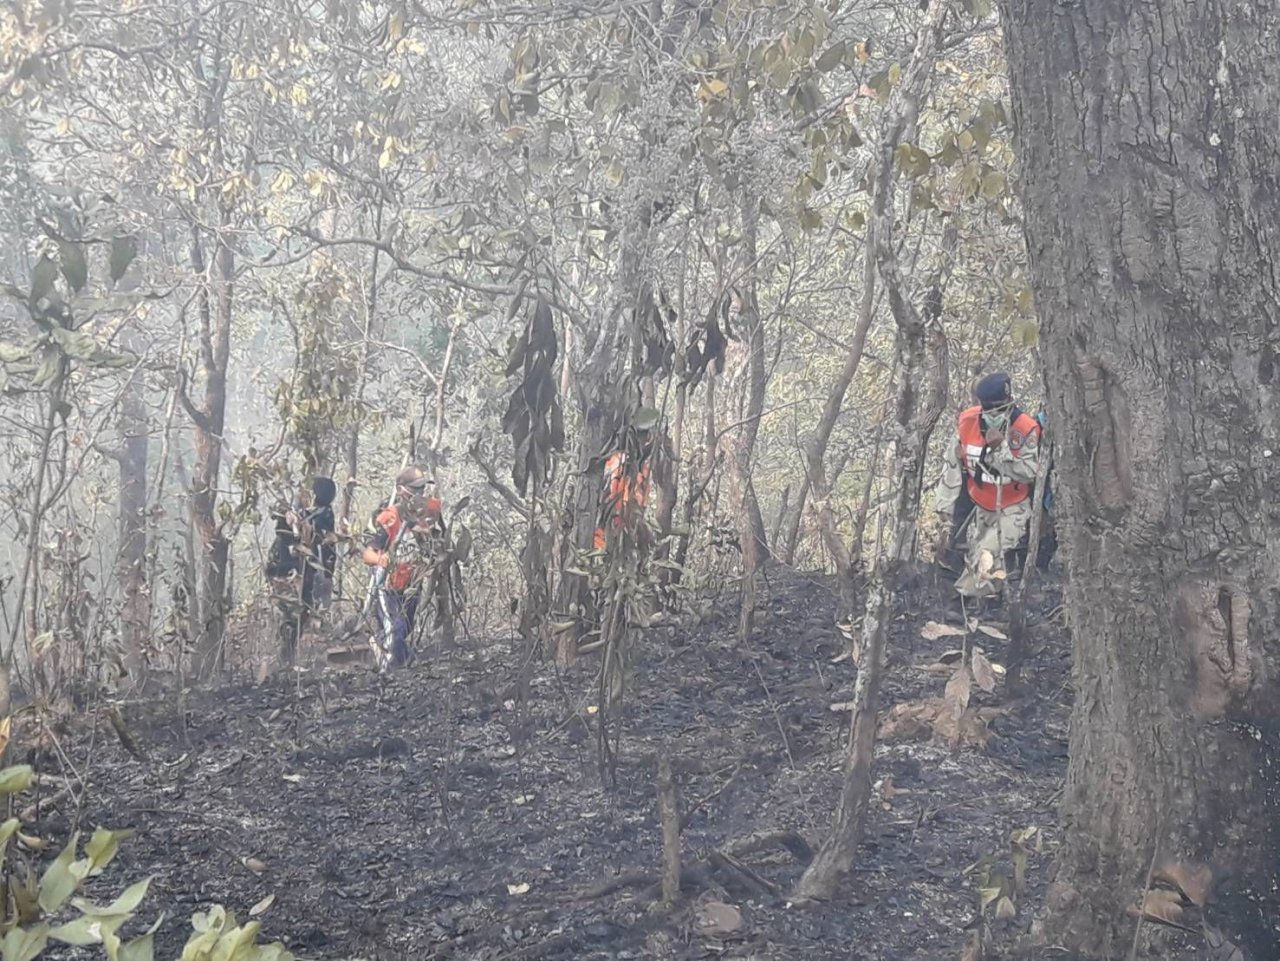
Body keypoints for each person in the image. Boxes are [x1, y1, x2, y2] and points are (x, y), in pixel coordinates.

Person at [935, 372, 1042, 601]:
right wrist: (944, 510)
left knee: (988, 555)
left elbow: (1030, 473)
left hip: (1013, 506)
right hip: (982, 505)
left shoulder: (1026, 428)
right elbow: (952, 465)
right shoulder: (967, 422)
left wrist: (1001, 450)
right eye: (990, 409)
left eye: (1001, 408)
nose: (996, 414)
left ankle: (959, 602)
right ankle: (992, 602)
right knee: (978, 554)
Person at [361, 466, 443, 670]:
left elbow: (436, 542)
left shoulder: (426, 515)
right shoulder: (389, 518)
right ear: (400, 490)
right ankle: (388, 673)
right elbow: (367, 553)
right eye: (415, 489)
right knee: (395, 633)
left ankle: (394, 657)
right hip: (387, 587)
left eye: (422, 489)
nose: (419, 494)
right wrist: (381, 560)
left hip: (410, 586)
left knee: (404, 629)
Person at [266, 477, 337, 666]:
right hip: (285, 568)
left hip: (301, 568)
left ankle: (286, 658)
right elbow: (281, 527)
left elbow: (329, 544)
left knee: (299, 612)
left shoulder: (322, 514)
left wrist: (328, 571)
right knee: (289, 614)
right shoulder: (295, 511)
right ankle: (283, 660)